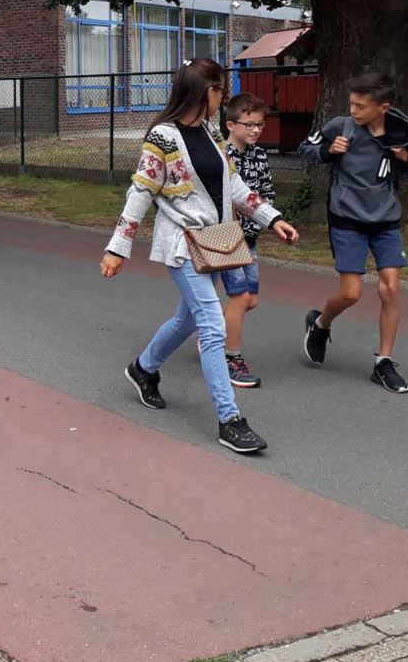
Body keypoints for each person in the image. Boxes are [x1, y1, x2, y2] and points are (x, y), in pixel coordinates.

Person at [99, 59, 298, 455]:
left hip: (216, 242)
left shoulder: (209, 133)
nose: (224, 98)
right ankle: (230, 419)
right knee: (212, 325)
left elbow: (235, 186)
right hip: (182, 244)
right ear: (206, 90)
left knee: (187, 318)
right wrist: (117, 247)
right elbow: (140, 192)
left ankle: (143, 368)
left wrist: (272, 218)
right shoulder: (163, 137)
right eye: (221, 90)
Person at [299, 71, 408, 393]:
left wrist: (406, 160)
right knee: (351, 293)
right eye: (351, 103)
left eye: (361, 106)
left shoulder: (402, 132)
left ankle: (384, 362)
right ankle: (320, 323)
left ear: (383, 107)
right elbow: (305, 149)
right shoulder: (339, 127)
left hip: (385, 221)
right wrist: (329, 152)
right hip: (347, 219)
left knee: (391, 289)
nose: (353, 111)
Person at [220, 92, 275, 390]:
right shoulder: (221, 156)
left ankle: (213, 330)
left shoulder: (261, 155)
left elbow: (266, 190)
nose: (255, 130)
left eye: (260, 125)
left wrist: (268, 216)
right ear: (231, 125)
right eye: (249, 125)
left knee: (250, 300)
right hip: (229, 240)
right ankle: (231, 357)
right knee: (240, 298)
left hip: (251, 239)